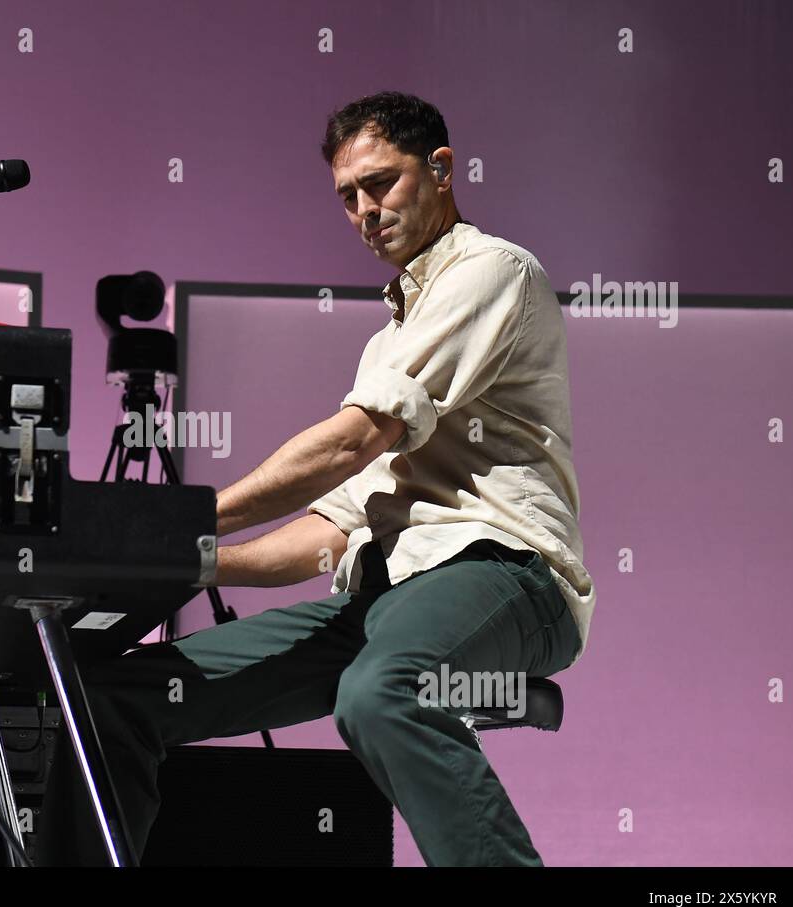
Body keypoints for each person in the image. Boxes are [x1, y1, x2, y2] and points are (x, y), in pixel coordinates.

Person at [37, 90, 596, 867]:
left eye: (381, 183)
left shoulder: (492, 272)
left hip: (505, 575)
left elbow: (349, 443)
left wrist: (176, 523)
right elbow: (326, 533)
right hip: (383, 601)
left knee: (381, 693)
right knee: (107, 703)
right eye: (347, 197)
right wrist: (179, 560)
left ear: (440, 169)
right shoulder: (390, 338)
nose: (365, 210)